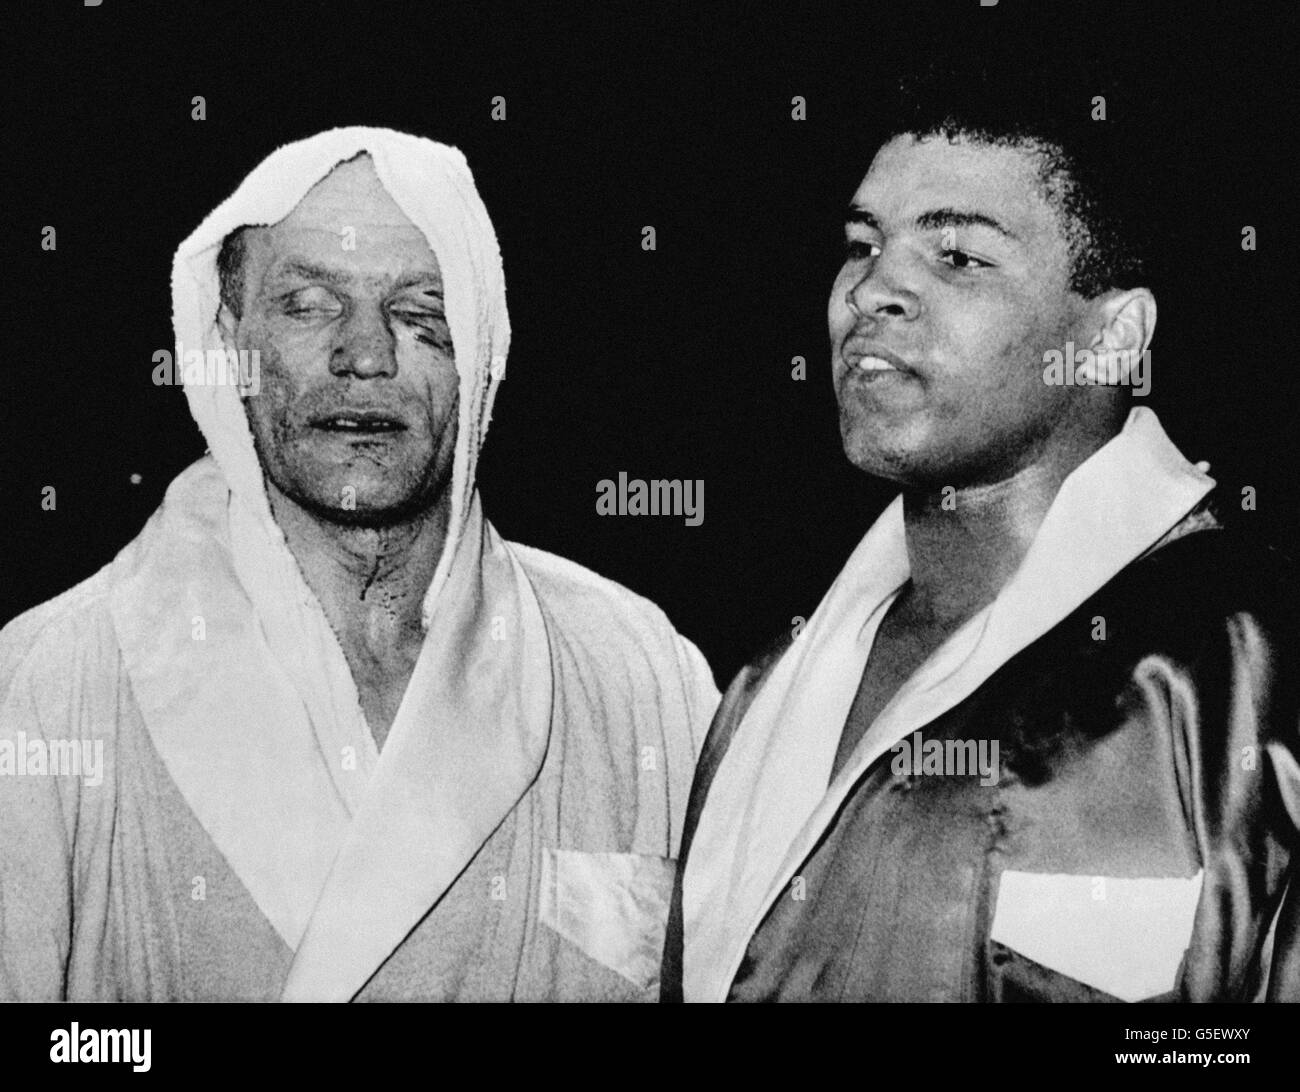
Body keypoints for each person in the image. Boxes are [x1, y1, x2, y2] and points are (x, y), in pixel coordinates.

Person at [0, 127, 718, 1001]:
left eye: (420, 315)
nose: (365, 355)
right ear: (228, 343)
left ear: (483, 354)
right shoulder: (48, 689)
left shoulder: (634, 672)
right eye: (309, 305)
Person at [662, 71, 1299, 1003]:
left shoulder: (1250, 671)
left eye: (957, 255)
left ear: (1113, 339)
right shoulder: (764, 683)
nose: (872, 291)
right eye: (860, 245)